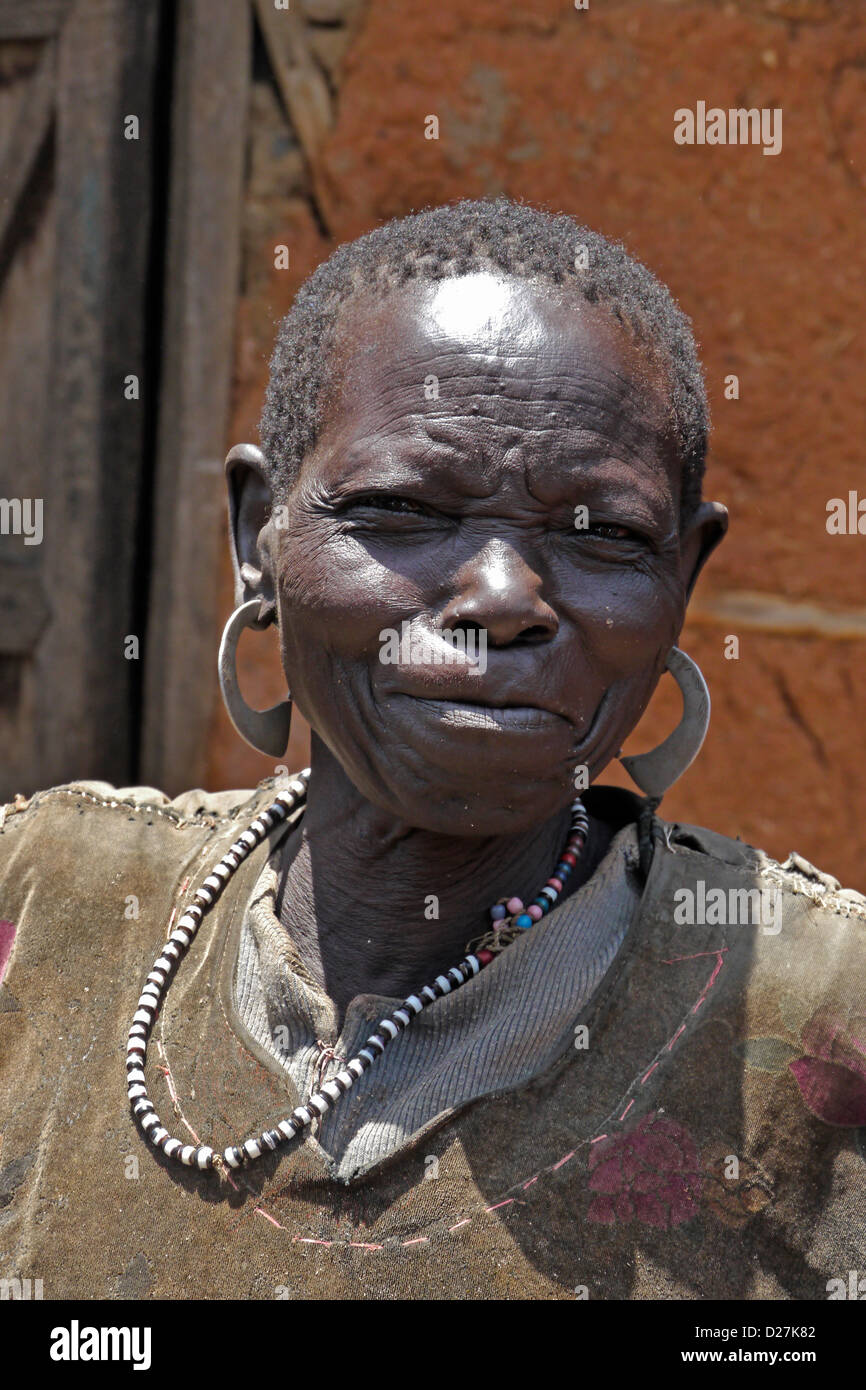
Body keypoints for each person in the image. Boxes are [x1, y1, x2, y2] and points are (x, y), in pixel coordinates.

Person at [1, 200, 864, 1301]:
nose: (503, 599)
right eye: (403, 509)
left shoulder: (824, 1022)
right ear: (257, 537)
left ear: (680, 582)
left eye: (597, 533)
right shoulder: (43, 909)